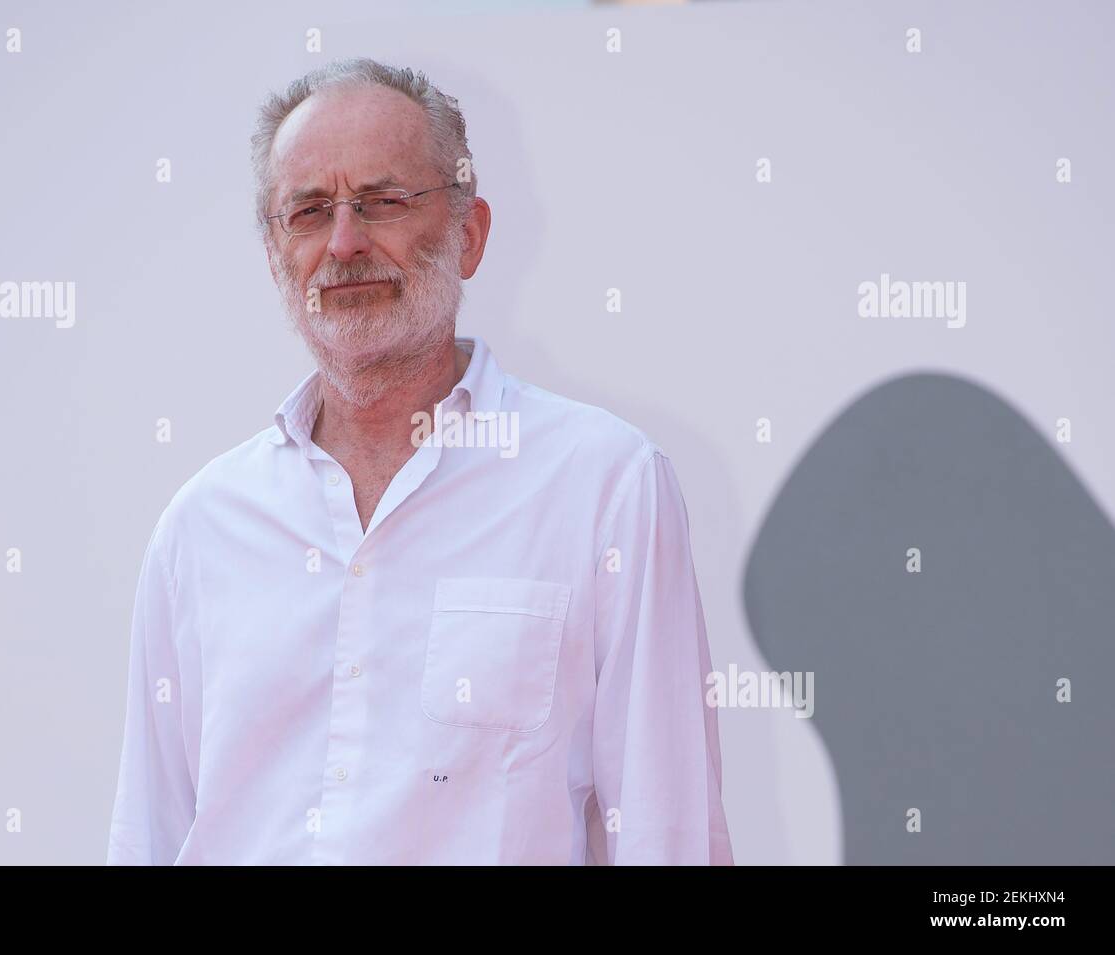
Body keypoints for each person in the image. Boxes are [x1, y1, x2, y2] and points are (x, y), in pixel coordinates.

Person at [106, 57, 732, 865]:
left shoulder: (604, 487)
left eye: (383, 201)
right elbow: (149, 835)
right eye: (307, 212)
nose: (343, 242)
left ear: (468, 236)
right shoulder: (201, 526)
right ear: (274, 254)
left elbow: (666, 832)